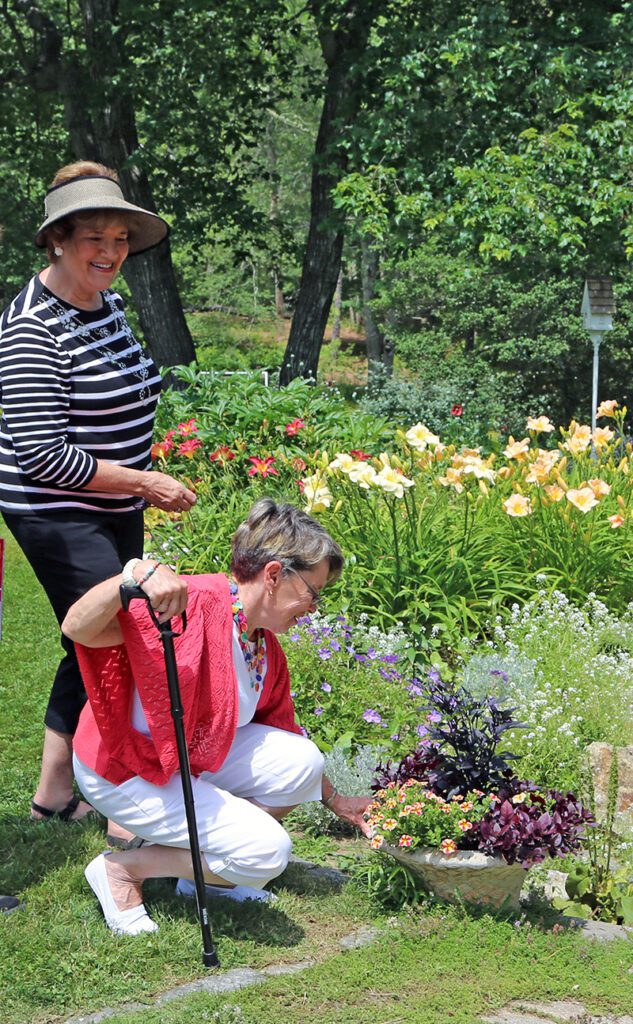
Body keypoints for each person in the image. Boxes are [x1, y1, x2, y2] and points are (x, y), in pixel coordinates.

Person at [62, 499, 371, 936]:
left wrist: (337, 801)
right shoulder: (191, 604)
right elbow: (77, 627)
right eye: (313, 592)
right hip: (125, 769)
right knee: (267, 854)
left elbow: (280, 730)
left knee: (304, 761)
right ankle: (122, 872)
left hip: (183, 758)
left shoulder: (260, 643)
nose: (314, 607)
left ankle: (201, 876)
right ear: (275, 575)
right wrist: (134, 573)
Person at [0, 161, 196, 826]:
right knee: (118, 629)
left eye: (119, 238)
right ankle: (120, 794)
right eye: (93, 238)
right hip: (53, 507)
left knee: (96, 633)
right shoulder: (32, 327)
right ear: (56, 239)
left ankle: (55, 794)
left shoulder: (104, 301)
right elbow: (44, 454)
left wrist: (136, 472)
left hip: (113, 501)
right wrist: (144, 478)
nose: (110, 252)